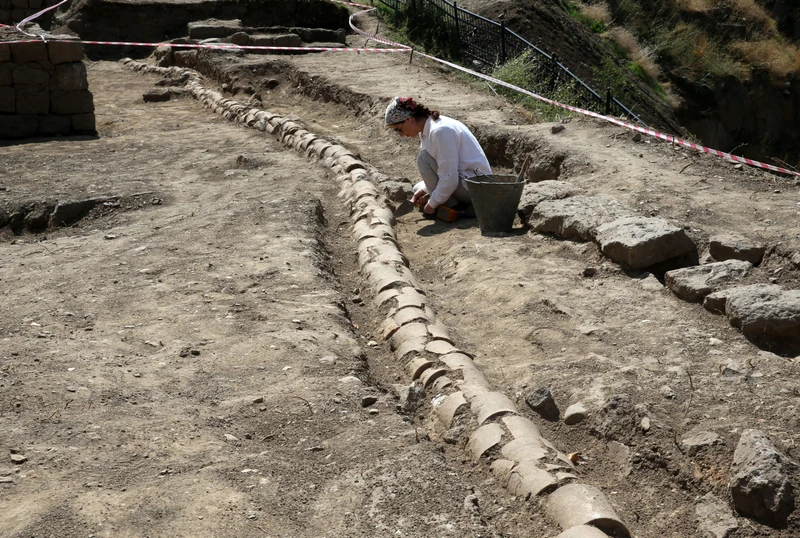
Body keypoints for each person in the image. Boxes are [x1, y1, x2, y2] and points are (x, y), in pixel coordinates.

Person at [385, 96, 492, 220]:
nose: (401, 135)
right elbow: (444, 169)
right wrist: (425, 191)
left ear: (409, 119)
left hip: (477, 188)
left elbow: (449, 178)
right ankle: (452, 203)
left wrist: (431, 205)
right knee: (418, 188)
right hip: (465, 181)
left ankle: (455, 207)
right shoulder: (428, 129)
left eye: (399, 129)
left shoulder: (440, 131)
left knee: (423, 159)